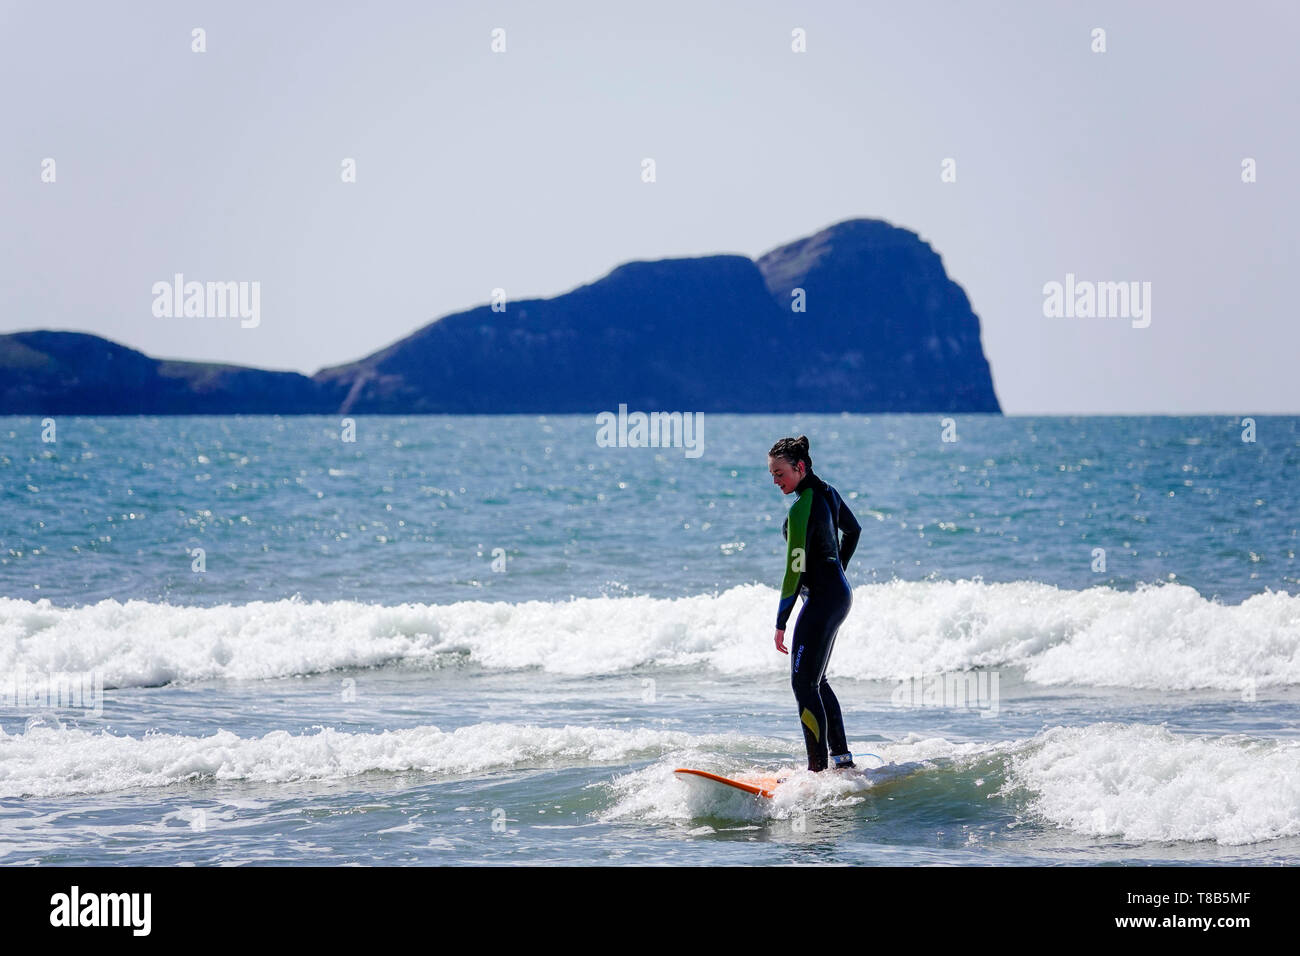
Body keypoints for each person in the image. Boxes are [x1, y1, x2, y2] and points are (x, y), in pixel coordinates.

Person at [768, 435, 862, 772]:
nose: (775, 481)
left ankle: (817, 771)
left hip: (823, 599)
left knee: (803, 684)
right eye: (772, 475)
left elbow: (793, 571)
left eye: (780, 473)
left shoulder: (801, 506)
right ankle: (842, 761)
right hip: (837, 595)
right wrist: (837, 570)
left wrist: (781, 622)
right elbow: (853, 531)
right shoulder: (829, 493)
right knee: (816, 681)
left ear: (800, 467)